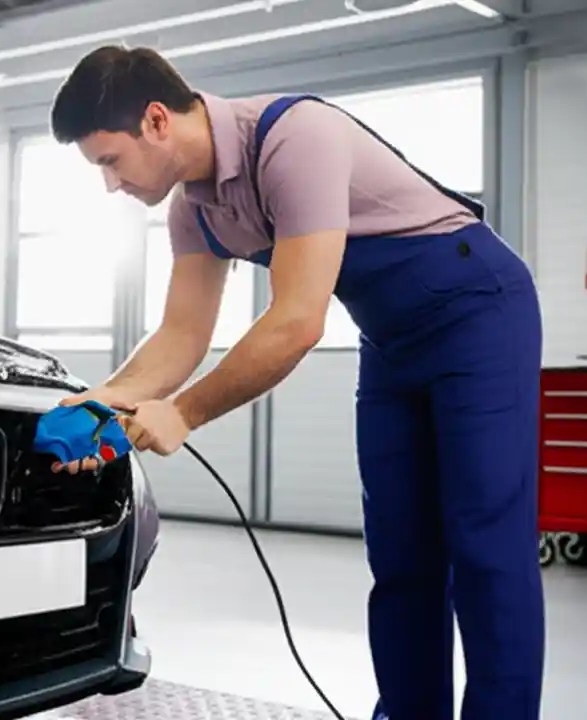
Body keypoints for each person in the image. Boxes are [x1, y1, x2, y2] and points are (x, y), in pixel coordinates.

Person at [46, 45, 544, 720]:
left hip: (480, 311)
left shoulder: (291, 136)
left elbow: (298, 320)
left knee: (486, 547)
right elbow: (179, 336)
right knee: (401, 555)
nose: (111, 184)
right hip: (392, 340)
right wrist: (103, 399)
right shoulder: (193, 209)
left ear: (156, 121)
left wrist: (184, 413)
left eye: (109, 160)